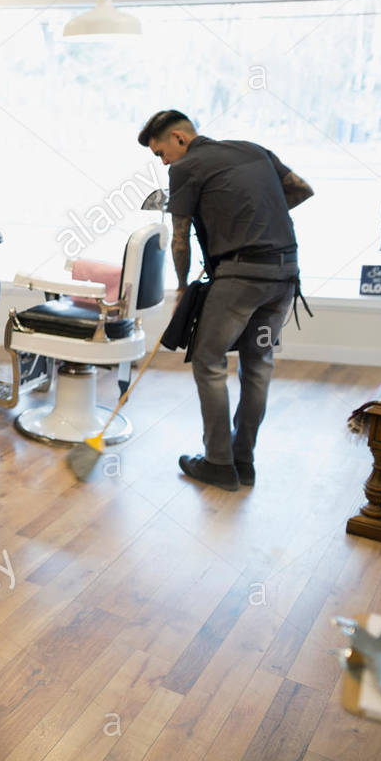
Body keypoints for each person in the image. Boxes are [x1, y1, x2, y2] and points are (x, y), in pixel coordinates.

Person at [137, 110, 314, 492]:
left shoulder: (185, 168)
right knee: (259, 363)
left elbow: (180, 237)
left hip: (240, 278)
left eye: (160, 152)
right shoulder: (254, 149)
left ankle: (218, 462)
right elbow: (301, 190)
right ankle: (243, 460)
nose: (162, 161)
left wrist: (182, 287)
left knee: (208, 360)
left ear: (180, 138)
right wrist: (256, 218)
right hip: (284, 276)